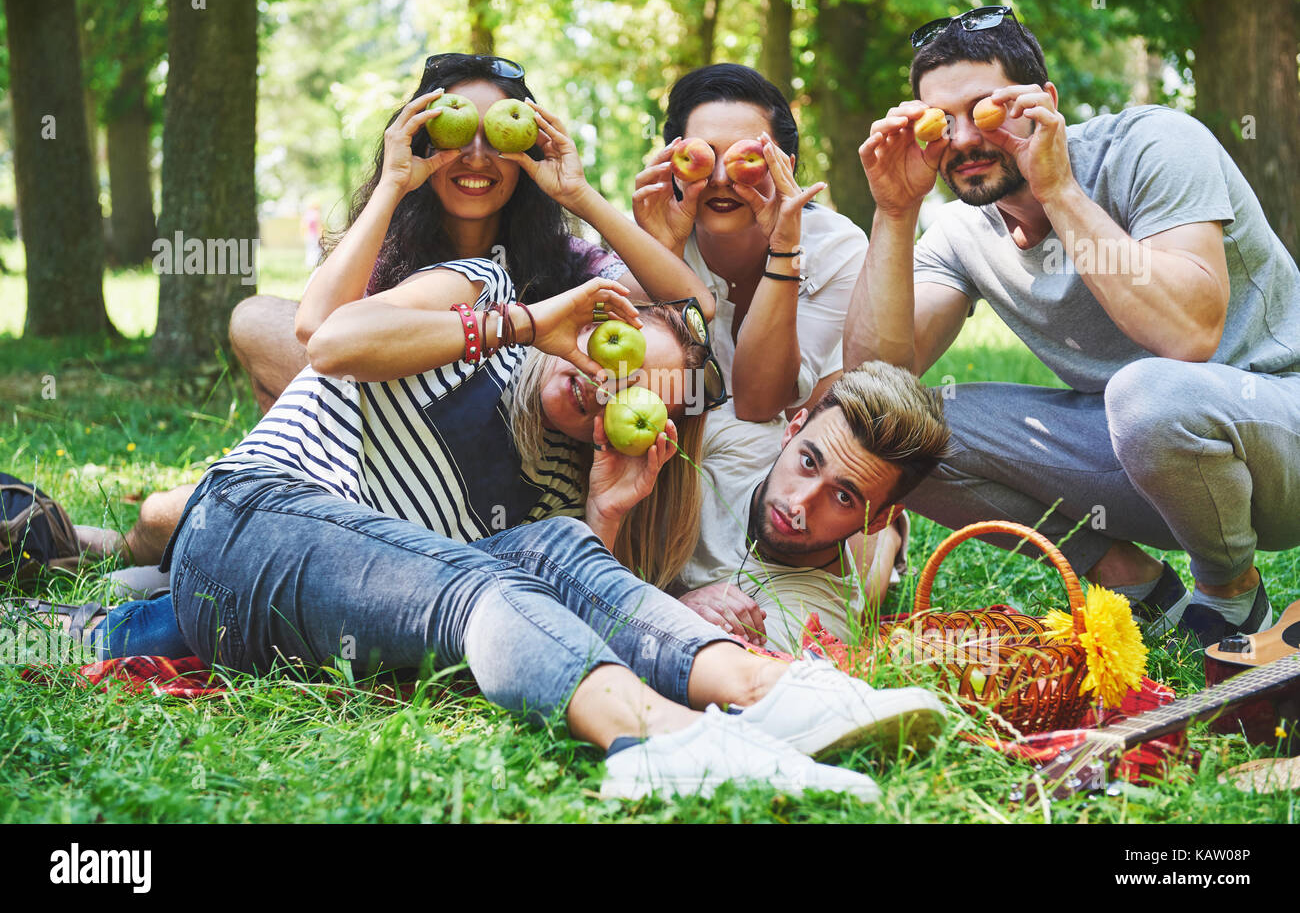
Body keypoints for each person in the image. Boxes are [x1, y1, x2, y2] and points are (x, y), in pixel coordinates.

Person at [38, 263, 947, 801]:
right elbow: (329, 341)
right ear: (588, 319)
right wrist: (525, 321)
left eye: (639, 391)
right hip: (246, 520)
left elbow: (503, 598)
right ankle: (658, 740)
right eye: (611, 352)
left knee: (547, 553)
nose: (608, 389)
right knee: (483, 590)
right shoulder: (481, 295)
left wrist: (601, 512)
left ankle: (766, 688)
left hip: (303, 612)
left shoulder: (556, 471)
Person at [100, 52, 713, 570]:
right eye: (453, 134)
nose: (477, 155)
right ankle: (121, 540)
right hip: (375, 405)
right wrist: (394, 184)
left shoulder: (566, 263)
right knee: (251, 327)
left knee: (176, 514)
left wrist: (578, 194)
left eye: (497, 135)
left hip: (491, 456)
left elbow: (695, 309)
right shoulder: (398, 246)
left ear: (526, 149)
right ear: (423, 139)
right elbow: (318, 334)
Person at [846, 5, 1300, 647]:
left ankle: (1229, 597)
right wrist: (894, 211)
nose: (964, 139)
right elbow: (875, 379)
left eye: (984, 110)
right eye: (940, 121)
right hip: (1152, 459)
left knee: (1151, 393)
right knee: (889, 431)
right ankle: (1142, 589)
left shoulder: (1153, 144)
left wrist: (1059, 191)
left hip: (1280, 436)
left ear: (1043, 101)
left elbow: (1189, 337)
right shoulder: (959, 232)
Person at [633, 63, 910, 618]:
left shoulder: (831, 248)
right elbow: (629, 383)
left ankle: (869, 558)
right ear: (672, 162)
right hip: (674, 457)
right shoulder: (648, 228)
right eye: (703, 156)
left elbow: (762, 403)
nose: (720, 179)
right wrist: (654, 250)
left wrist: (784, 248)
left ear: (784, 166)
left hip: (789, 466)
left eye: (746, 158)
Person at [676, 362, 951, 653]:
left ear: (878, 518)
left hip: (829, 582)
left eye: (844, 497)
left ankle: (889, 539)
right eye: (808, 462)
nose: (798, 505)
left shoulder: (814, 623)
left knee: (868, 595)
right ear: (792, 431)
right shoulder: (740, 439)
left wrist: (677, 608)